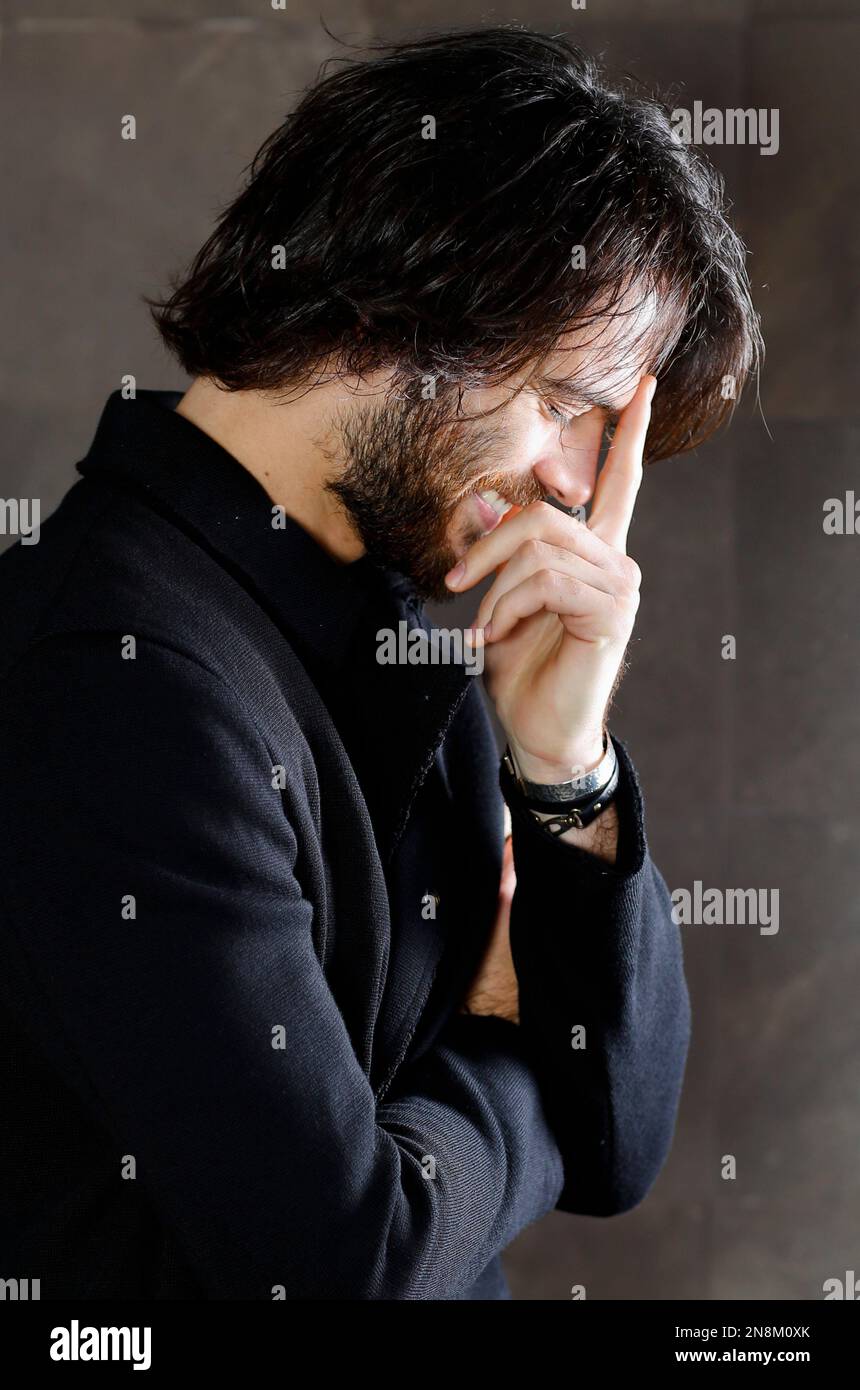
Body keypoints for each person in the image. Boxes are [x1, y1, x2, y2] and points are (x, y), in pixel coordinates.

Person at [0, 26, 760, 1300]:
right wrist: (498, 1037)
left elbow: (618, 1141)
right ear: (402, 302)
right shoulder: (118, 679)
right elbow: (351, 1263)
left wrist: (564, 768)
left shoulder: (395, 611)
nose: (577, 495)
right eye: (570, 410)